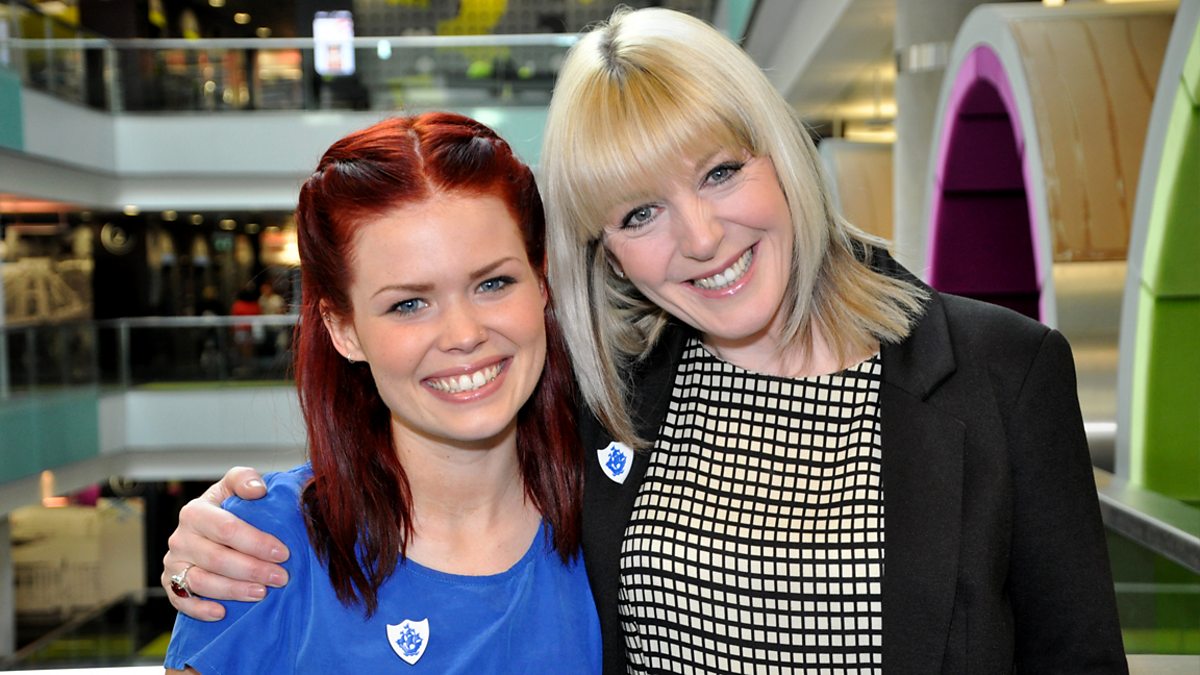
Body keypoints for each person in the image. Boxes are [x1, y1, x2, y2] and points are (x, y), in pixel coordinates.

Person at [161, 8, 1127, 674]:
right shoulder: (612, 390)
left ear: (781, 150)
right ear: (603, 249)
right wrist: (226, 528)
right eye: (639, 211)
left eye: (719, 171)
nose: (701, 240)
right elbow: (434, 440)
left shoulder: (1002, 373)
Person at [163, 113, 600, 673]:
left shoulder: (623, 521)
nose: (464, 335)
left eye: (493, 283)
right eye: (408, 304)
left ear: (542, 281)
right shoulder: (258, 550)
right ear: (343, 329)